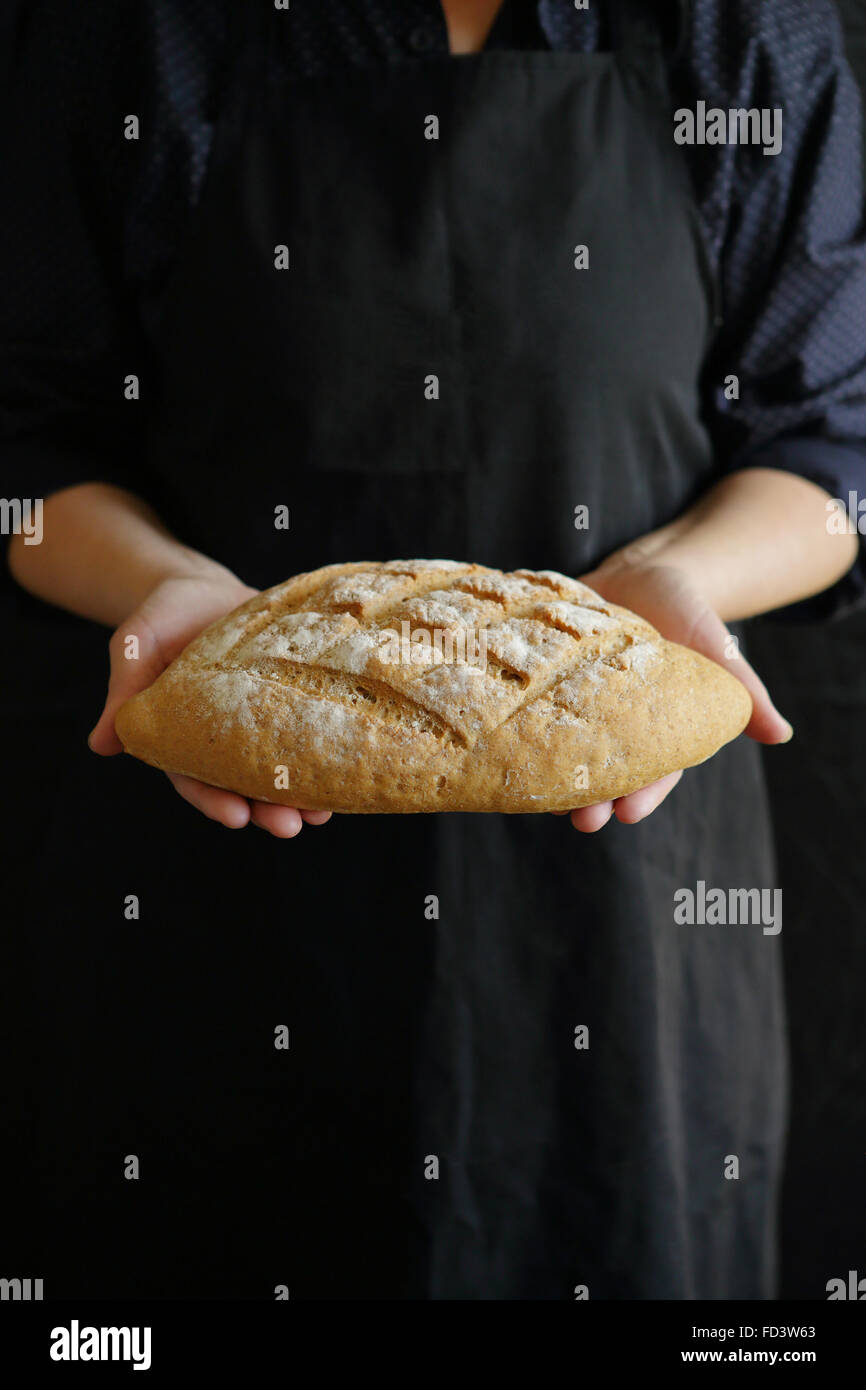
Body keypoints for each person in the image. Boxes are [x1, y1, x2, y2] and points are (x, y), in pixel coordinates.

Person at [4, 0, 865, 1299]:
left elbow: (835, 450)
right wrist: (169, 585)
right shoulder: (129, 33)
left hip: (633, 933)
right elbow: (23, 449)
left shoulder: (742, 32)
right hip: (226, 910)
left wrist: (680, 577)